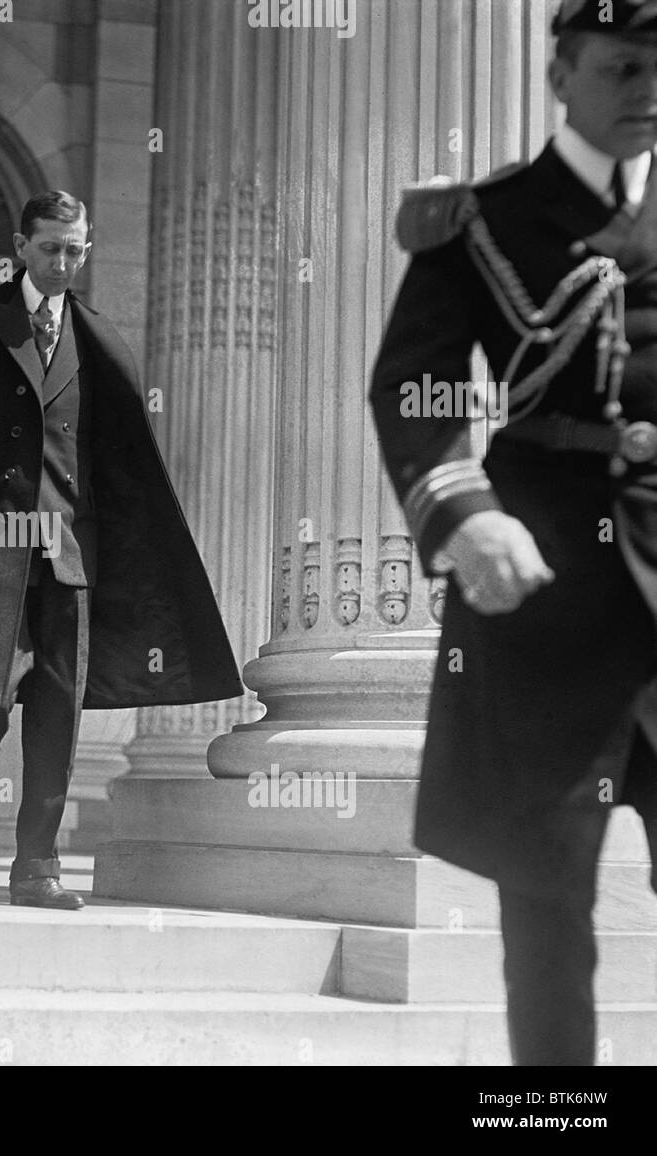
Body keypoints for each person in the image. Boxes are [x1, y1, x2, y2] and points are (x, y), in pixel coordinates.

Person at [370, 0, 657, 1065]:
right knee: (545, 899)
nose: (647, 92)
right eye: (623, 67)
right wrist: (465, 514)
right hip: (546, 589)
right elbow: (413, 385)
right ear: (560, 75)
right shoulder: (481, 222)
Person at [0, 191, 243, 909]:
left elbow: (117, 461)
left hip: (68, 552)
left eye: (77, 250)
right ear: (21, 246)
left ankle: (38, 867)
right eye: (52, 248)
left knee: (58, 709)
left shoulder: (96, 335)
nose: (64, 262)